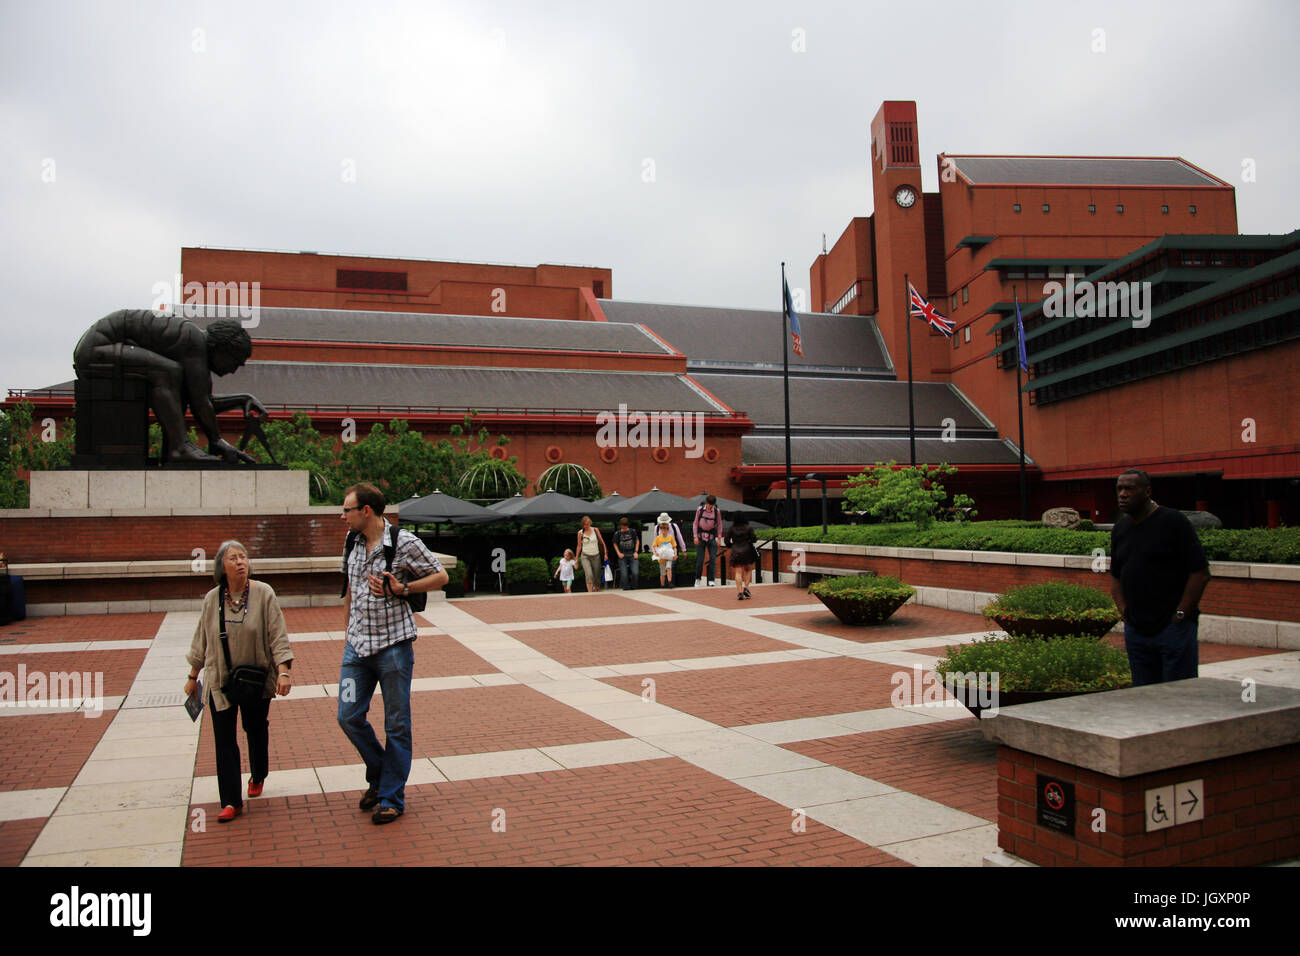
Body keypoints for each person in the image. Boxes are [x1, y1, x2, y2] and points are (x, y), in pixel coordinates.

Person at [338, 483, 448, 824]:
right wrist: (347, 632)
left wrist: (403, 588)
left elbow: (441, 575)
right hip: (356, 648)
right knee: (348, 715)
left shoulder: (404, 542)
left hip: (394, 648)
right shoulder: (350, 542)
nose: (343, 516)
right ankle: (381, 772)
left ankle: (390, 797)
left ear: (366, 511)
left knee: (397, 724)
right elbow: (350, 591)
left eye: (347, 510)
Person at [184, 540, 293, 823]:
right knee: (224, 739)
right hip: (220, 679)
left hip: (256, 679)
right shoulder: (212, 599)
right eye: (233, 558)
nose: (240, 562)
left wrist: (283, 670)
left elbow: (277, 635)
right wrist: (192, 676)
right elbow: (201, 640)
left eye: (243, 557)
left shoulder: (264, 593)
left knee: (255, 728)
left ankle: (258, 774)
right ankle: (231, 801)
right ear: (222, 566)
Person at [73, 309, 265, 462]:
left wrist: (243, 400)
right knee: (169, 372)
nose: (233, 370)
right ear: (223, 349)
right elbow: (200, 403)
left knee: (174, 376)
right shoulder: (193, 341)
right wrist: (215, 440)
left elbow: (204, 403)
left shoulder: (192, 344)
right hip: (94, 351)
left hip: (105, 350)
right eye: (236, 361)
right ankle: (179, 448)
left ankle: (173, 450)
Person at [1110, 468, 1211, 686]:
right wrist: (1125, 613)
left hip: (1172, 629)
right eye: (1119, 489)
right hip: (1136, 630)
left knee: (1178, 695)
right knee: (1144, 696)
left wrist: (1181, 615)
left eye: (1129, 488)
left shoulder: (1173, 522)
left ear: (1147, 492)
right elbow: (1116, 576)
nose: (1123, 494)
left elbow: (1200, 573)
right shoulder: (1120, 528)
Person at [693, 495, 724, 587]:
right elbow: (695, 523)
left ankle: (711, 580)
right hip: (700, 536)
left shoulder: (716, 511)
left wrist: (719, 538)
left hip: (711, 537)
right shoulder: (700, 510)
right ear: (706, 503)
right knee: (700, 560)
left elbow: (719, 525)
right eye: (709, 505)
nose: (710, 507)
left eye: (711, 505)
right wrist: (695, 537)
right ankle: (697, 579)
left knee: (713, 559)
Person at [726, 516, 759, 600]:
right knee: (748, 570)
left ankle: (740, 592)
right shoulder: (749, 528)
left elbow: (726, 540)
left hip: (736, 551)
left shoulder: (731, 529)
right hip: (747, 551)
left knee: (738, 572)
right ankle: (746, 588)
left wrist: (731, 545)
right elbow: (754, 539)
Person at [575, 515, 609, 592]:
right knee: (589, 574)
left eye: (588, 524)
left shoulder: (595, 530)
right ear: (582, 524)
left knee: (597, 576)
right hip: (585, 556)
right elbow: (579, 546)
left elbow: (602, 542)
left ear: (590, 523)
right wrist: (576, 559)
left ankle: (596, 589)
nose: (586, 526)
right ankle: (590, 593)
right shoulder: (580, 533)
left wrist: (605, 553)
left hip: (596, 555)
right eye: (584, 524)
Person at [611, 517, 640, 590]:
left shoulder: (632, 531)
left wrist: (636, 551)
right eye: (623, 526)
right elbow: (615, 543)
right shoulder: (618, 533)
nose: (624, 528)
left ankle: (634, 586)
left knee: (635, 572)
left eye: (625, 526)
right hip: (623, 554)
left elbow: (637, 541)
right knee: (624, 574)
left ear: (627, 525)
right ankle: (626, 587)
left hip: (632, 553)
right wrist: (618, 553)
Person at [652, 517, 678, 587]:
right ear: (661, 529)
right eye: (662, 529)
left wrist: (675, 554)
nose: (664, 531)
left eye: (665, 529)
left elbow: (674, 547)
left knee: (669, 568)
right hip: (662, 557)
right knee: (663, 573)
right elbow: (653, 546)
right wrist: (655, 553)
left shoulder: (670, 537)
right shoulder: (658, 538)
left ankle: (670, 582)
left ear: (667, 530)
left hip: (669, 557)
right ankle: (662, 585)